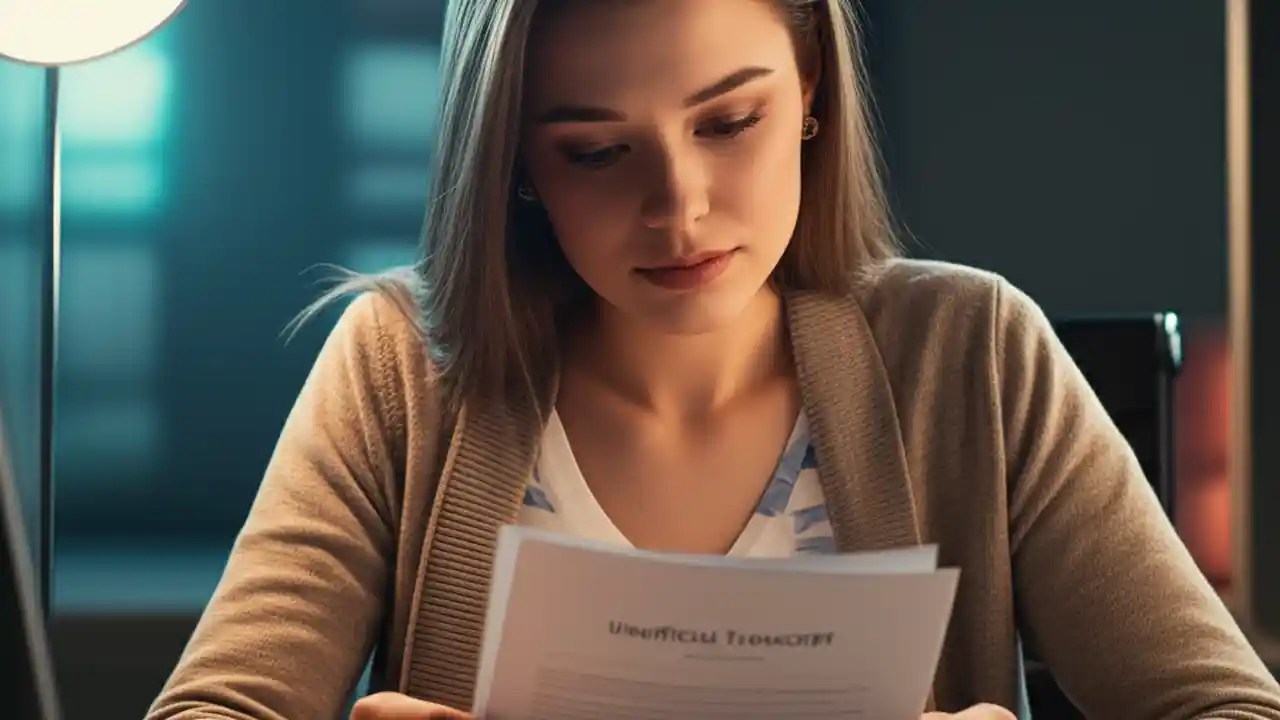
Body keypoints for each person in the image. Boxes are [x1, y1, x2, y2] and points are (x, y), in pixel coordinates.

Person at [148, 0, 1280, 718]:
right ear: (517, 170)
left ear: (809, 102)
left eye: (728, 122)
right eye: (595, 151)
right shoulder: (400, 363)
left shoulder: (972, 348)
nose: (677, 209)